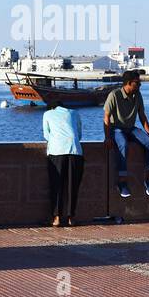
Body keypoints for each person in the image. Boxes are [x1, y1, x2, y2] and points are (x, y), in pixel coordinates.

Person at [103, 70, 149, 198]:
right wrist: (107, 137)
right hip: (116, 129)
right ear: (129, 83)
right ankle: (122, 183)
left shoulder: (138, 95)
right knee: (123, 144)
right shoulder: (114, 95)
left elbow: (142, 117)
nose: (140, 86)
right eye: (137, 83)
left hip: (131, 128)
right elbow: (106, 117)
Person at [42, 97, 85, 227]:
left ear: (51, 107)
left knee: (57, 185)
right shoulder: (74, 113)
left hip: (57, 152)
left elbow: (46, 135)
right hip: (75, 151)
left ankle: (57, 217)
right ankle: (71, 217)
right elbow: (79, 134)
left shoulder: (47, 114)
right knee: (73, 185)